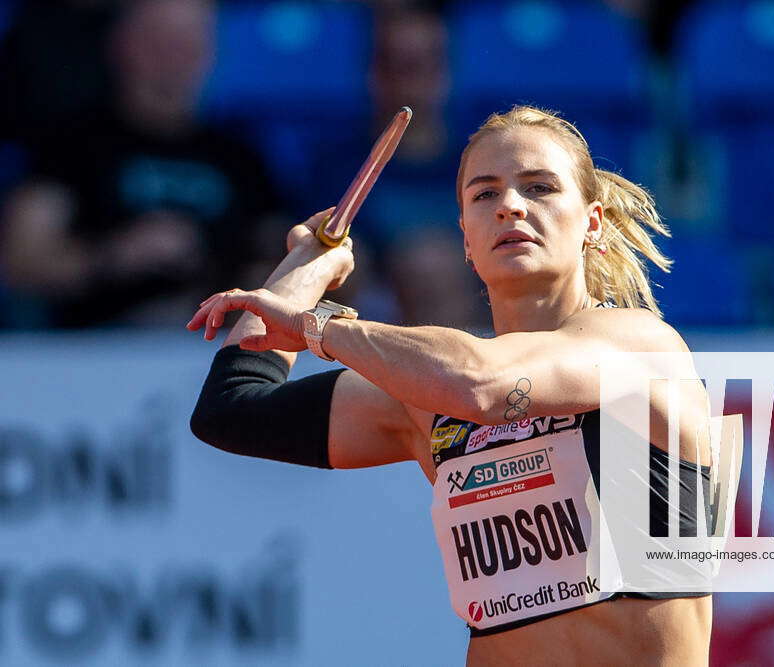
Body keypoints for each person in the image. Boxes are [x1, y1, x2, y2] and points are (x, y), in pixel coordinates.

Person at [187, 106, 713, 664]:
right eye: (484, 195)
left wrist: (318, 326)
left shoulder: (639, 349)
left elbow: (484, 385)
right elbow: (233, 409)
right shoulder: (425, 396)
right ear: (465, 235)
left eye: (539, 187)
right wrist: (304, 272)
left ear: (592, 223)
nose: (511, 205)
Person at [0, 0, 286, 328]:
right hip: (99, 351)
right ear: (122, 44)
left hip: (220, 347)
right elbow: (20, 262)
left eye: (189, 42)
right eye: (160, 40)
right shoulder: (71, 146)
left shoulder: (241, 156)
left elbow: (283, 250)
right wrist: (114, 256)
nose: (175, 58)